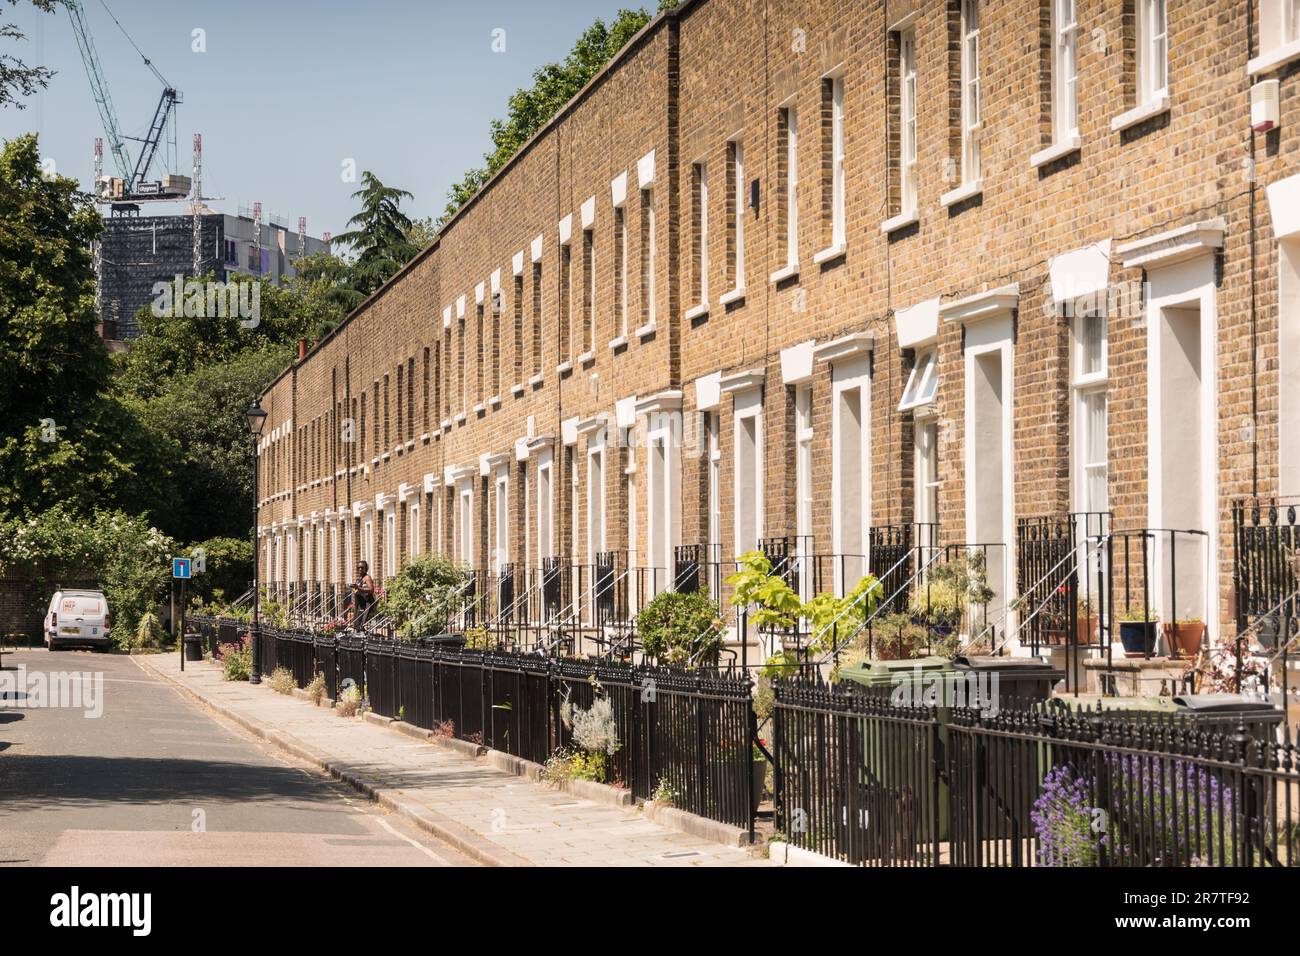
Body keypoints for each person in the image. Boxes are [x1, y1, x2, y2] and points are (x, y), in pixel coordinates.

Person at [349, 561, 376, 627]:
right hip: (359, 604)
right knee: (357, 623)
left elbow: (371, 589)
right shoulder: (359, 578)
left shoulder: (367, 578)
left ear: (366, 569)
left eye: (362, 567)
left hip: (366, 604)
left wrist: (359, 588)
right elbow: (358, 590)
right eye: (358, 568)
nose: (360, 569)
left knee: (362, 623)